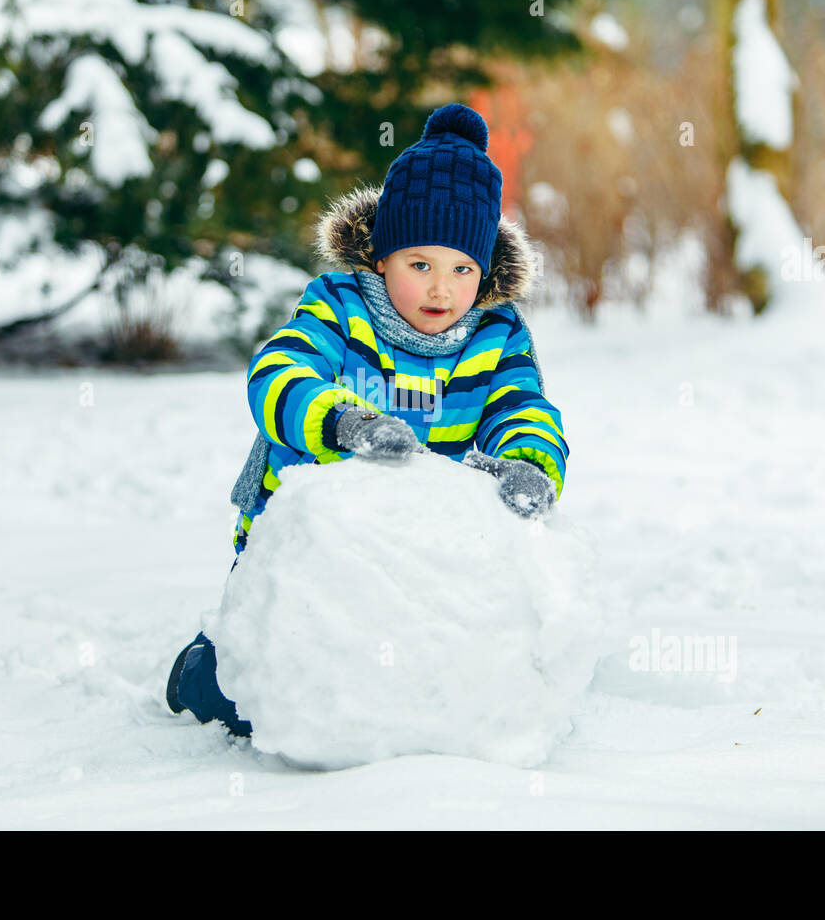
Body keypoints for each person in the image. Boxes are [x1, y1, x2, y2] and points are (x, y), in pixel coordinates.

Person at [165, 103, 570, 738]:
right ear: (382, 257)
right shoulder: (339, 308)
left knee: (409, 674)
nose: (442, 289)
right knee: (269, 690)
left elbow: (523, 407)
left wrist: (528, 462)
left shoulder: (497, 334)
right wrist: (343, 424)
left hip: (414, 548)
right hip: (305, 538)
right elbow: (279, 373)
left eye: (462, 269)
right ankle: (207, 669)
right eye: (421, 265)